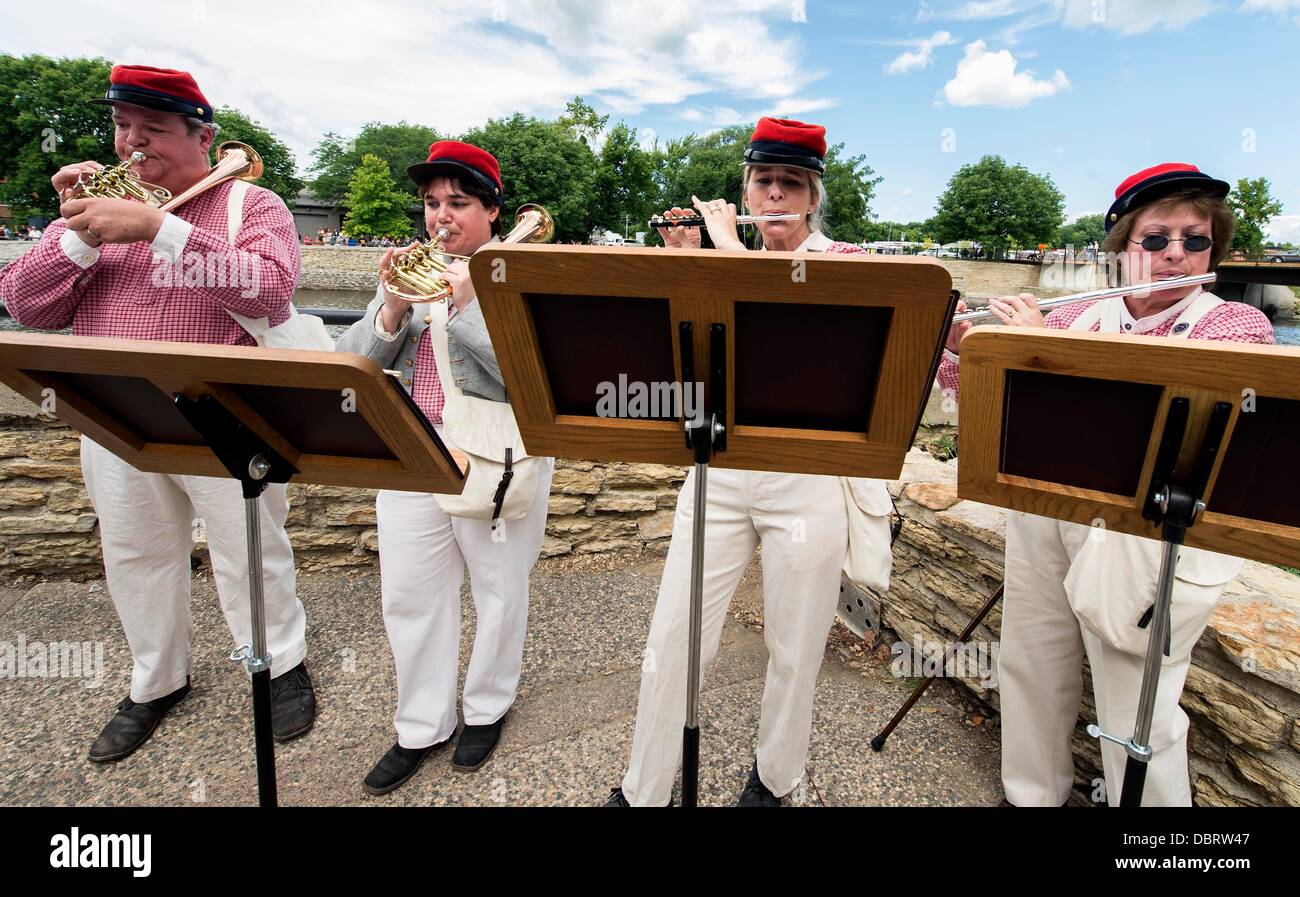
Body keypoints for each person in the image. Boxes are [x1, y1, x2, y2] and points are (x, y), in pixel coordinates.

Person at [0, 65, 317, 763]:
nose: (130, 144)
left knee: (249, 553)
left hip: (224, 416)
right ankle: (157, 679)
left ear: (202, 136)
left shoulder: (251, 206)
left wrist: (156, 229)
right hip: (115, 416)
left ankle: (280, 662)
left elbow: (269, 290)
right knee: (137, 554)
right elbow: (25, 305)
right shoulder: (93, 211)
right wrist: (81, 234)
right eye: (121, 127)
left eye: (152, 130)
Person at [937, 162, 1273, 806]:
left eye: (1194, 240)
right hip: (1043, 508)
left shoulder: (1232, 327)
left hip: (1144, 534)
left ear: (1213, 248)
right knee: (1032, 666)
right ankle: (1031, 793)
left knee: (1137, 706)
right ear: (1123, 250)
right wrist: (965, 346)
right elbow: (977, 401)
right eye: (1156, 240)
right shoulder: (1083, 313)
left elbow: (1145, 418)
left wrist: (1041, 352)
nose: (1176, 255)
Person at [604, 118, 896, 807]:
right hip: (721, 466)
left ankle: (775, 777)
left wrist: (728, 249)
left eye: (790, 183)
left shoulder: (848, 260)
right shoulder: (721, 255)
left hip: (808, 474)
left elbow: (806, 335)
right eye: (762, 181)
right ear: (744, 189)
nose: (774, 194)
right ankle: (642, 786)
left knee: (795, 647)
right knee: (675, 632)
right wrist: (685, 262)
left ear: (813, 196)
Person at [336, 140, 554, 795]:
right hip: (412, 449)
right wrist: (393, 306)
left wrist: (466, 306)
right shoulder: (416, 268)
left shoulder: (517, 275)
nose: (441, 217)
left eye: (458, 203)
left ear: (492, 209)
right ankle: (421, 724)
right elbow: (353, 367)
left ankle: (487, 706)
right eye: (431, 204)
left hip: (493, 453)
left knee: (498, 587)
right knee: (408, 594)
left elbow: (534, 380)